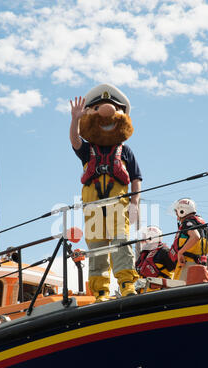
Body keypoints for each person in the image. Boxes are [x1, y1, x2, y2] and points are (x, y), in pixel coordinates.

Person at [70, 84, 142, 301]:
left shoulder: (124, 150)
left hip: (118, 205)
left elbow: (136, 177)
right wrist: (74, 119)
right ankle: (100, 290)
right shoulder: (87, 150)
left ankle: (127, 283)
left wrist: (135, 202)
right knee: (96, 248)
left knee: (122, 244)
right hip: (93, 208)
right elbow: (74, 141)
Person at [169, 198, 208, 282]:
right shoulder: (206, 229)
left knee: (181, 293)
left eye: (177, 212)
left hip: (186, 266)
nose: (177, 216)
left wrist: (180, 252)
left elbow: (195, 236)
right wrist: (205, 269)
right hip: (202, 269)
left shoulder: (187, 224)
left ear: (182, 211)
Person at [135, 226, 175, 291]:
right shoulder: (143, 256)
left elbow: (175, 269)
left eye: (144, 238)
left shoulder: (164, 251)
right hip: (143, 294)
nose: (142, 241)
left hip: (160, 293)